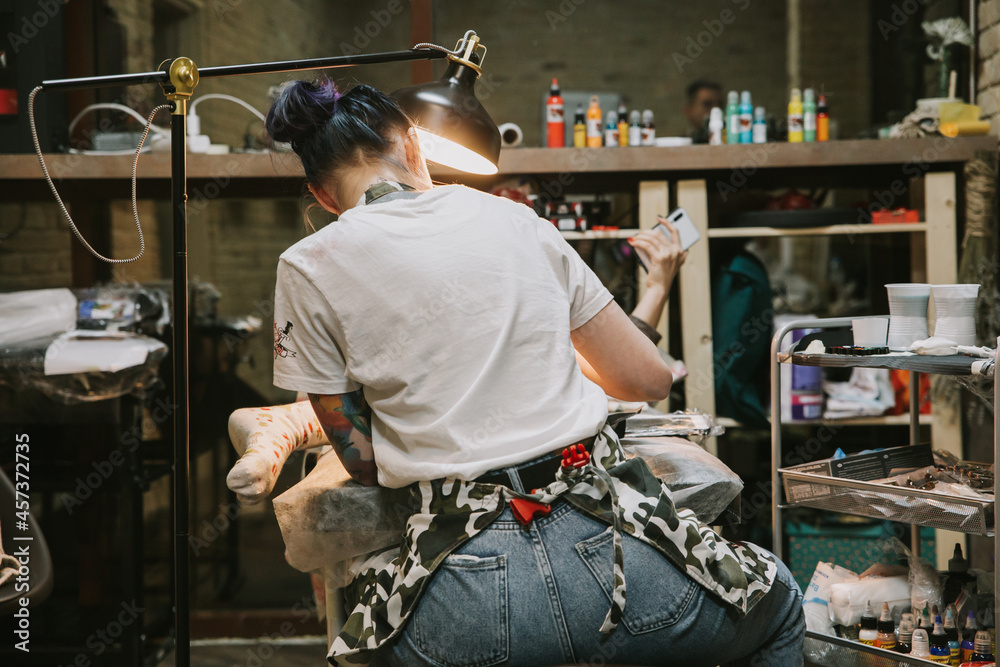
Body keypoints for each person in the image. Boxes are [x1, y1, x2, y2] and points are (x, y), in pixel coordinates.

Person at [233, 77, 804, 667]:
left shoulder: (305, 265)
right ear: (413, 145)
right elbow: (649, 381)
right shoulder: (513, 219)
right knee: (781, 603)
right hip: (615, 563)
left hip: (464, 600)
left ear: (321, 196)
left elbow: (360, 460)